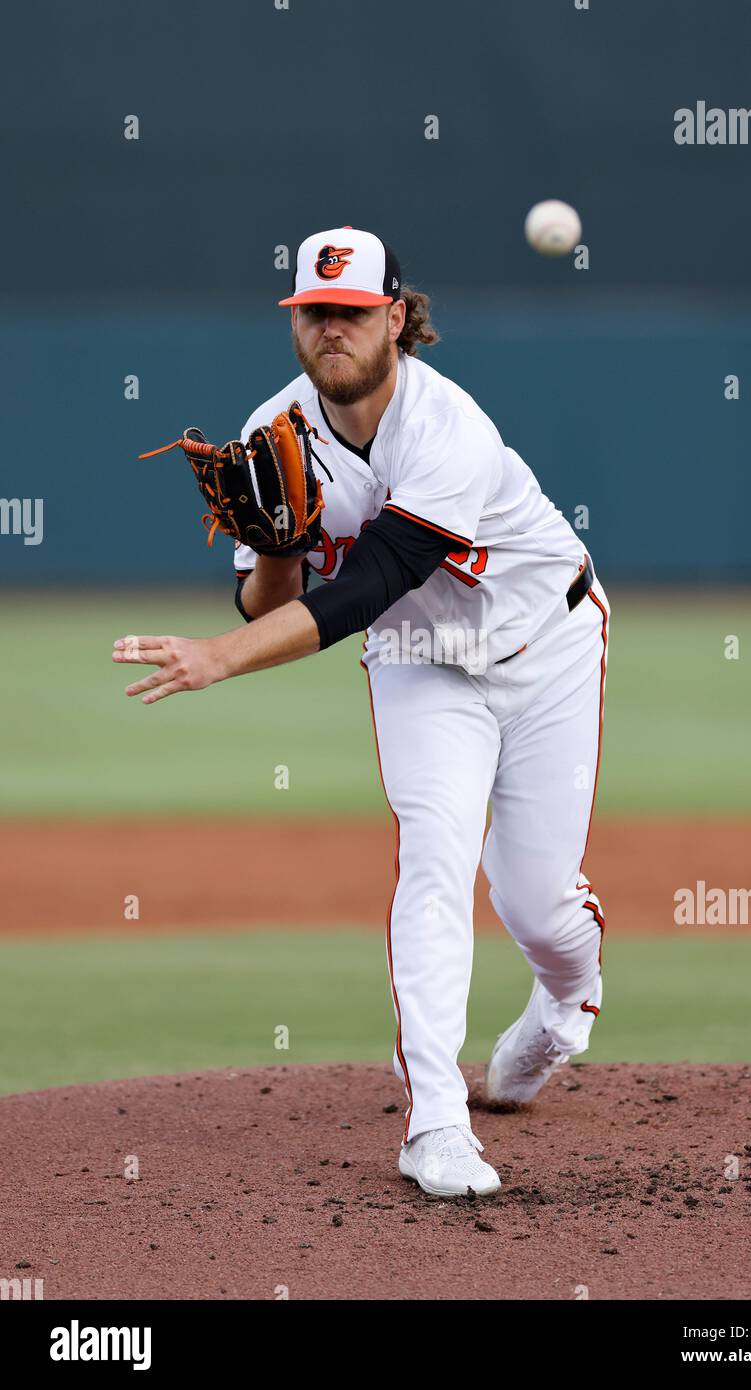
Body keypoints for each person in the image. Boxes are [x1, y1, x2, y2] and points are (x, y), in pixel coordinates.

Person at [113, 225, 610, 1199]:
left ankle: (564, 1002)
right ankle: (435, 1122)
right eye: (312, 314)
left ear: (393, 317)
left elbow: (373, 578)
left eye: (349, 312)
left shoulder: (446, 427)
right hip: (419, 662)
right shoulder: (277, 430)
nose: (330, 329)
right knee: (432, 854)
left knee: (536, 904)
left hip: (543, 645)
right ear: (295, 325)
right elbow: (272, 598)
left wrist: (219, 659)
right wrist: (274, 550)